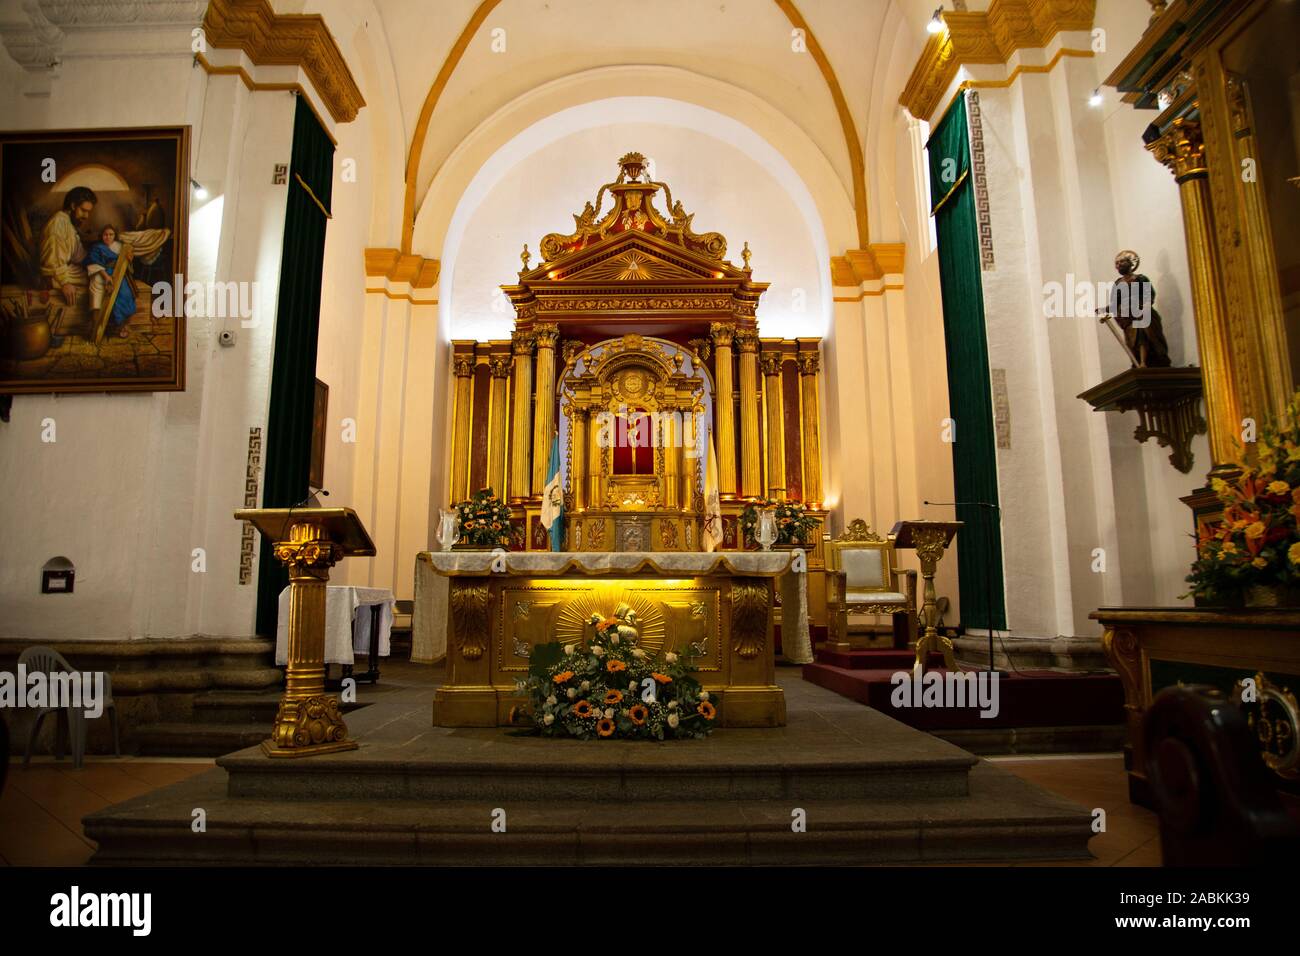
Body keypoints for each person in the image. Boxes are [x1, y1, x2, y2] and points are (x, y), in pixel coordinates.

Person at [1109, 250, 1171, 368]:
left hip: (1143, 313)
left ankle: (1144, 362)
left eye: (1122, 261)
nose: (1119, 265)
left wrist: (1141, 306)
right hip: (1127, 317)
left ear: (1130, 263)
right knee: (1133, 340)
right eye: (1117, 263)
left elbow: (1149, 295)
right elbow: (1114, 303)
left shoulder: (1141, 279)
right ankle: (1137, 362)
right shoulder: (1118, 284)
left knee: (1143, 332)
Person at [83, 224, 135, 337]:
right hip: (102, 273)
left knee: (125, 294)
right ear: (102, 236)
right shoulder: (97, 247)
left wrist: (129, 259)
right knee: (100, 295)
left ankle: (123, 326)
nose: (108, 237)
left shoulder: (120, 246)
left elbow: (126, 264)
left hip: (118, 274)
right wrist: (106, 277)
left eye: (111, 234)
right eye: (105, 234)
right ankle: (97, 328)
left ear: (114, 235)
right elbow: (94, 263)